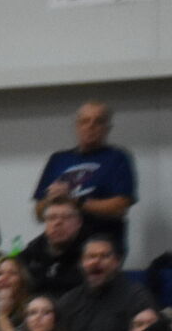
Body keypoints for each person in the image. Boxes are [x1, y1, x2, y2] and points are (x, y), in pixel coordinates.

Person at [33, 100, 138, 254]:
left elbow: (120, 207)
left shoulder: (117, 158)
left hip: (101, 245)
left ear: (107, 128)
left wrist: (75, 200)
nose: (90, 126)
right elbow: (38, 213)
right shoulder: (58, 159)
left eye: (98, 122)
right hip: (61, 245)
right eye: (85, 121)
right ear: (77, 126)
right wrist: (51, 199)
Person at [58, 237, 154, 331]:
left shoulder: (136, 297)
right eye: (91, 257)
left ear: (117, 262)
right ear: (81, 263)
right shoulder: (69, 301)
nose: (96, 261)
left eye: (104, 256)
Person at [17, 197, 89, 300]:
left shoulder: (90, 253)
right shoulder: (31, 253)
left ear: (79, 223)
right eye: (52, 218)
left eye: (66, 217)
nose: (58, 223)